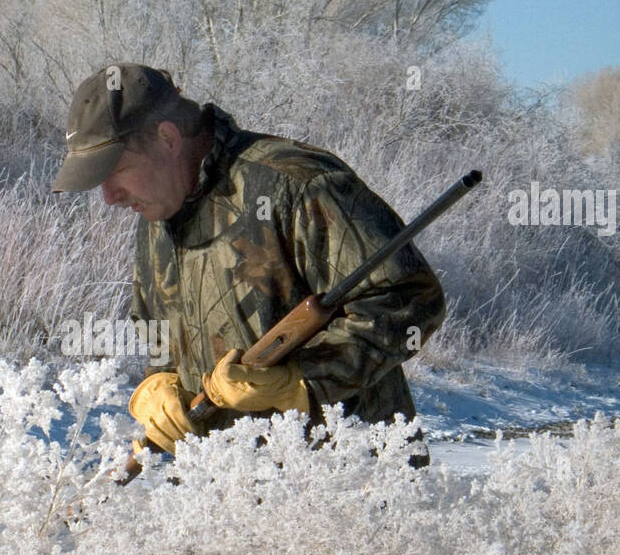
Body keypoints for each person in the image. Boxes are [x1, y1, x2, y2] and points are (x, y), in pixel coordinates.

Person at [51, 62, 444, 467]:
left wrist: (301, 383)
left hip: (347, 485)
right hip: (225, 494)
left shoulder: (294, 182)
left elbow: (409, 298)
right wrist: (159, 381)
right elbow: (160, 333)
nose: (109, 197)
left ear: (167, 138)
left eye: (115, 171)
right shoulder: (157, 214)